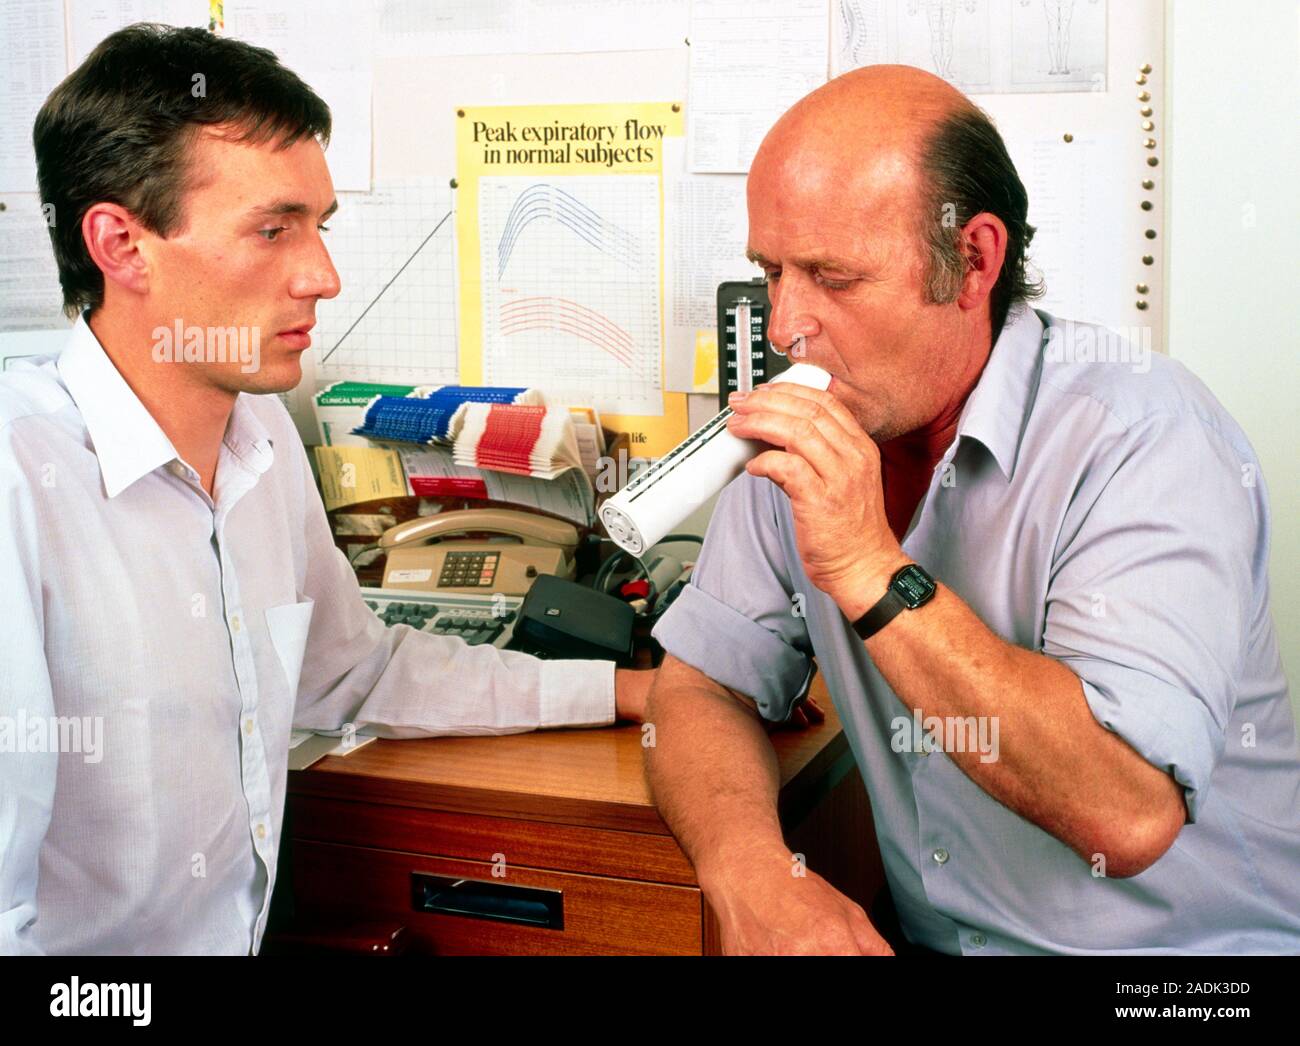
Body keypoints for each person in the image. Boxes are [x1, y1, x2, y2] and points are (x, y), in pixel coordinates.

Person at [0, 24, 658, 955]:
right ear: (121, 244)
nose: (325, 276)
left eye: (319, 226)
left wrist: (628, 692)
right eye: (273, 230)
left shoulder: (259, 430)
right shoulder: (19, 488)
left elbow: (353, 674)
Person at [647, 64, 1300, 955]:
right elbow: (698, 685)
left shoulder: (1144, 436)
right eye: (773, 271)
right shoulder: (818, 431)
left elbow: (1128, 814)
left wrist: (870, 570)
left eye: (833, 279)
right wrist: (753, 872)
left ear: (974, 261)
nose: (783, 327)